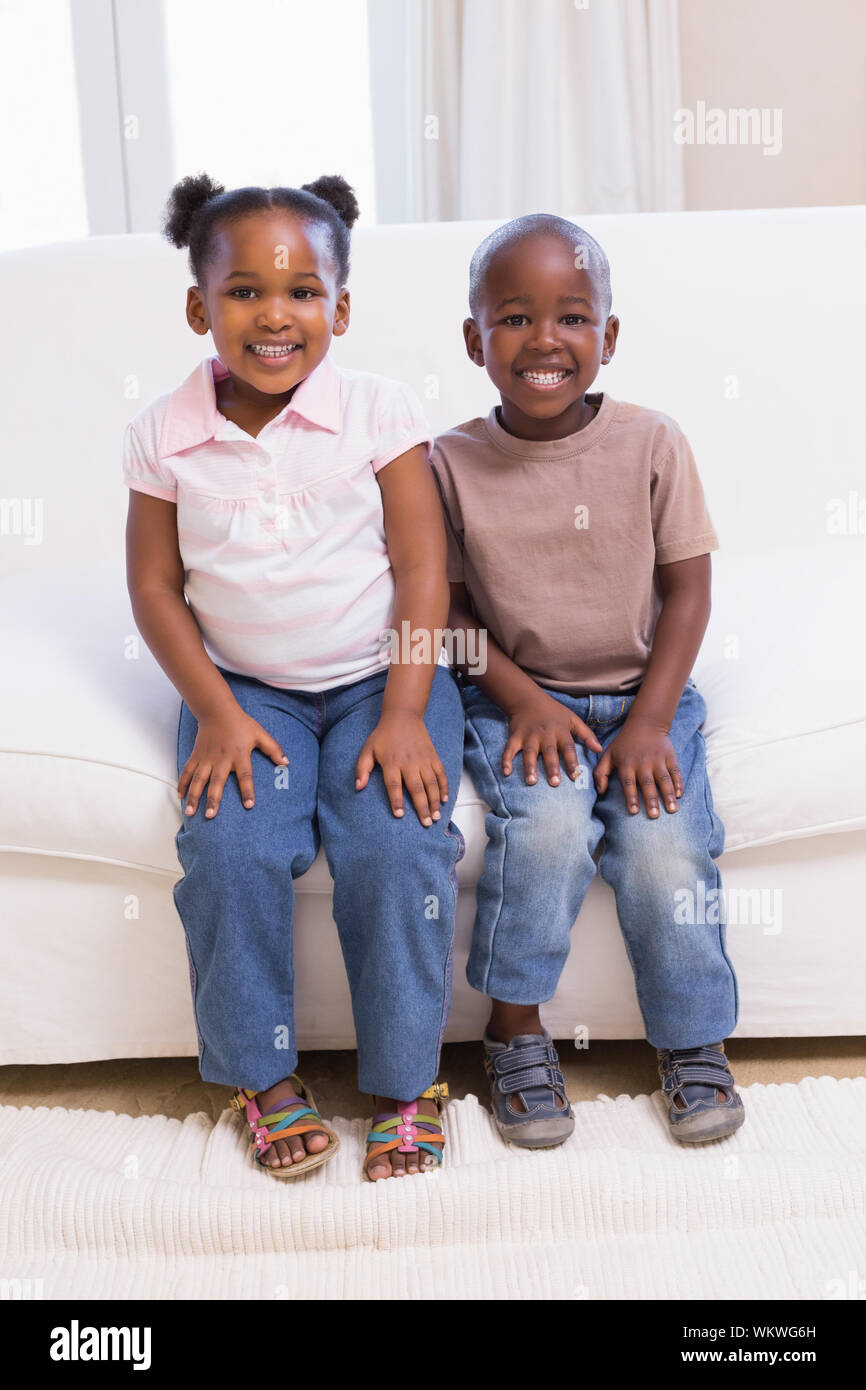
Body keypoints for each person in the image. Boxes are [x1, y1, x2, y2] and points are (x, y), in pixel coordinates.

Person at [123, 172, 464, 1181]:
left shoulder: (375, 409)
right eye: (244, 292)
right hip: (247, 692)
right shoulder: (162, 433)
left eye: (303, 291)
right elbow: (152, 588)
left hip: (376, 680)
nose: (276, 315)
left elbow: (422, 569)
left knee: (397, 849)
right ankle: (261, 1077)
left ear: (340, 309)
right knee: (228, 850)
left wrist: (405, 708)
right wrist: (218, 714)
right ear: (199, 307)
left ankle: (406, 1085)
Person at [430, 213, 744, 1148]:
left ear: (607, 338)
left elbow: (688, 593)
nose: (544, 341)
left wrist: (649, 724)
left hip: (646, 696)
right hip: (520, 700)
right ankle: (516, 1030)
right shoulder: (448, 462)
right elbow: (441, 615)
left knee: (663, 848)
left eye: (572, 318)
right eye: (515, 317)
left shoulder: (653, 443)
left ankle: (693, 1041)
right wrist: (523, 698)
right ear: (475, 339)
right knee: (552, 828)